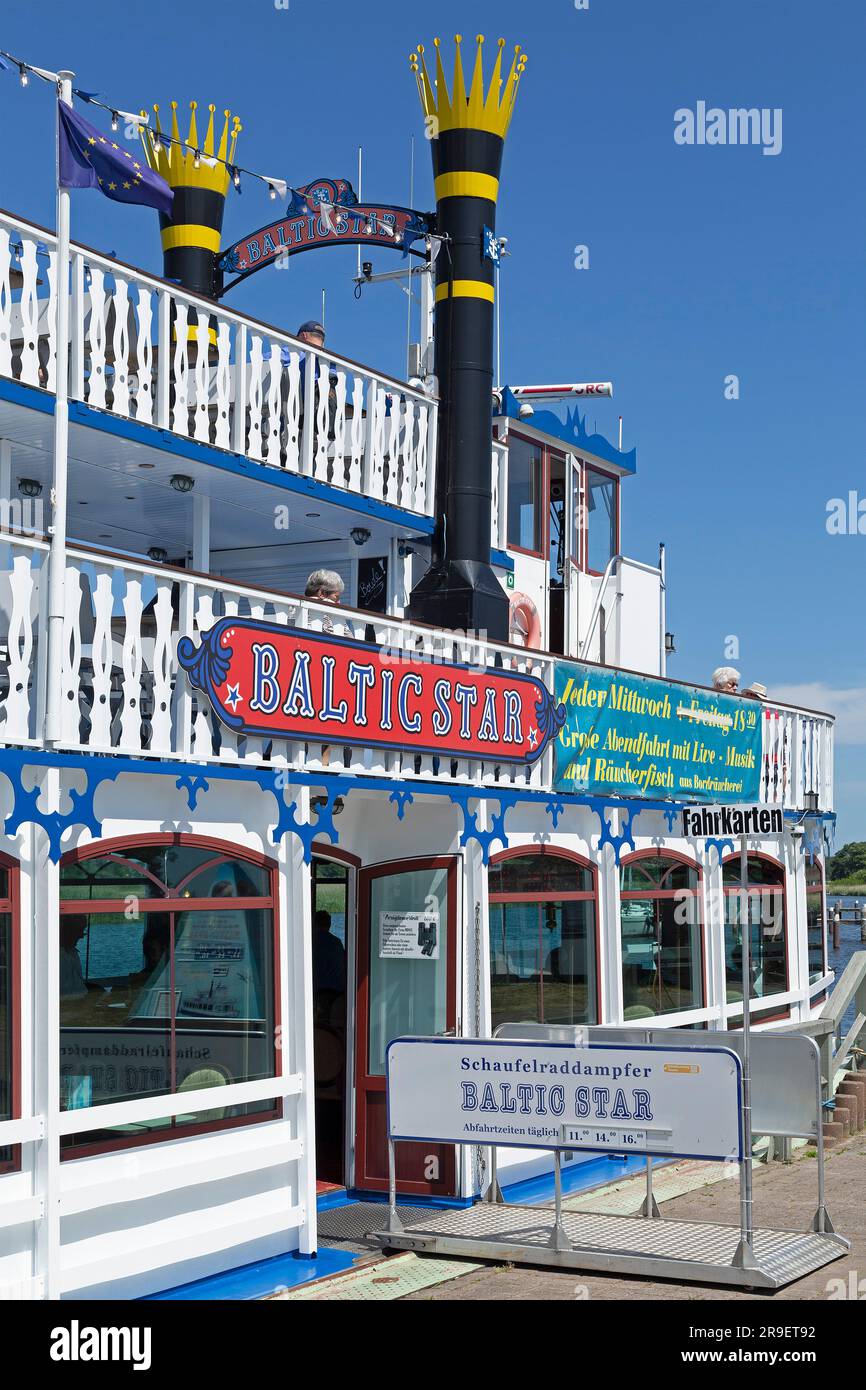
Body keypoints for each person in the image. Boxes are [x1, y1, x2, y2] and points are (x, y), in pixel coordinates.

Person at [312, 909, 346, 995]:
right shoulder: (337, 942)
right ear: (329, 924)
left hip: (316, 990)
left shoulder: (310, 942)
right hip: (336, 991)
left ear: (314, 923)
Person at [59, 916, 88, 999]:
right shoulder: (55, 958)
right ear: (67, 931)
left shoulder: (73, 952)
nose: (82, 936)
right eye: (79, 931)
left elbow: (77, 986)